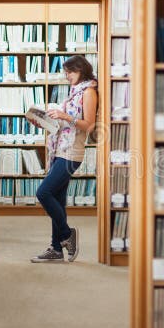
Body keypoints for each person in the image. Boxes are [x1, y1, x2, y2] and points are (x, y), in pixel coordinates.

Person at [29, 55, 98, 263]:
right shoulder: (74, 92)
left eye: (70, 72)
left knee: (44, 192)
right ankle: (56, 249)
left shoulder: (89, 92)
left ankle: (68, 234)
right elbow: (65, 126)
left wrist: (65, 116)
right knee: (57, 199)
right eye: (66, 72)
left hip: (72, 154)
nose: (67, 76)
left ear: (81, 70)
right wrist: (45, 122)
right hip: (60, 149)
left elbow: (89, 125)